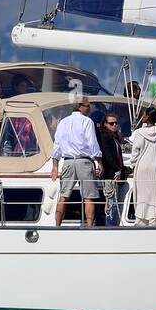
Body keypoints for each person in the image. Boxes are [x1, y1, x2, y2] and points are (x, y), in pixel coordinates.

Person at [51, 97, 102, 227]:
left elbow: (57, 145)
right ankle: (89, 227)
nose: (89, 108)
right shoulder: (87, 121)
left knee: (64, 196)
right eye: (88, 106)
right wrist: (99, 162)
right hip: (84, 162)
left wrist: (55, 166)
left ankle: (57, 226)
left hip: (68, 162)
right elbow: (92, 144)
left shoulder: (63, 122)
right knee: (88, 197)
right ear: (80, 106)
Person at [129, 108, 156, 225]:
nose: (142, 116)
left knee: (143, 196)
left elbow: (135, 153)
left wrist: (133, 164)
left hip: (142, 167)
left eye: (143, 114)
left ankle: (141, 221)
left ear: (147, 116)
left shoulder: (139, 132)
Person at [97, 110, 128, 226]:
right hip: (110, 175)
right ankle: (110, 227)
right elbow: (108, 156)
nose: (114, 125)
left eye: (116, 123)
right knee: (111, 204)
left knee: (112, 203)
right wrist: (117, 169)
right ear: (105, 124)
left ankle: (110, 225)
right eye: (111, 123)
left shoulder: (114, 137)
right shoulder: (105, 136)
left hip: (114, 173)